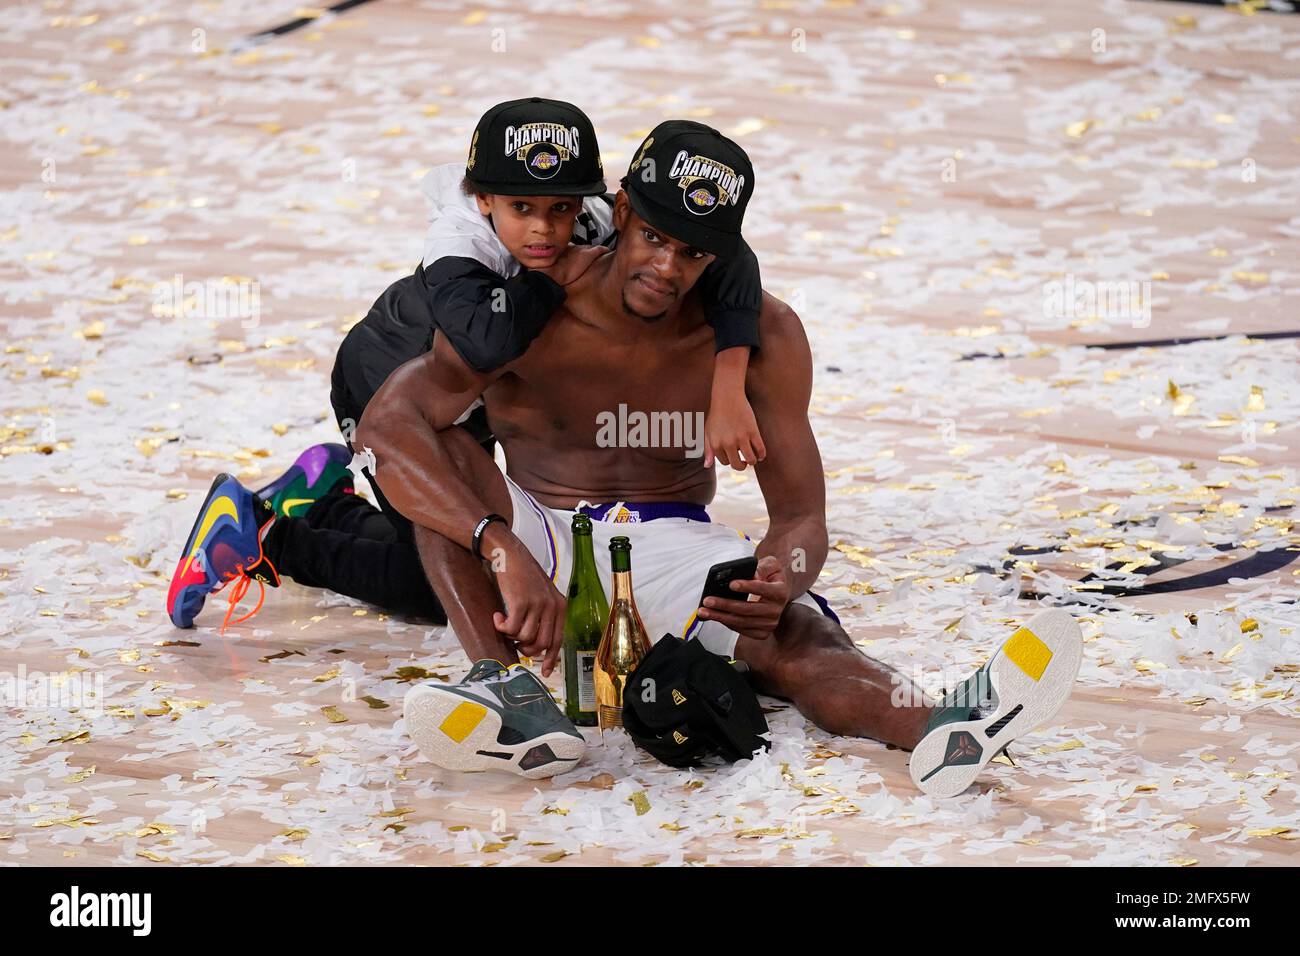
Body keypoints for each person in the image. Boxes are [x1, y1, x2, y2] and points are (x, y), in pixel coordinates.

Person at [360, 121, 1083, 795]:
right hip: (541, 522)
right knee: (443, 452)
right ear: (618, 211)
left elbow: (801, 517)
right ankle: (505, 689)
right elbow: (390, 428)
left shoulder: (764, 332)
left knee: (800, 639)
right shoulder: (528, 301)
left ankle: (942, 728)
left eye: (694, 253)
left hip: (675, 541)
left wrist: (781, 578)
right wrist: (499, 548)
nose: (666, 268)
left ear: (725, 254)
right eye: (652, 239)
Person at [167, 98, 768, 632]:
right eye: (521, 207)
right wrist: (565, 277)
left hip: (467, 387)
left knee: (464, 542)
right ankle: (264, 534)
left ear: (596, 201)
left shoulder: (594, 222)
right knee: (448, 587)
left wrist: (728, 383)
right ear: (481, 199)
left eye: (561, 208)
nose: (543, 228)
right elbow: (483, 343)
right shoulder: (461, 240)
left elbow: (730, 256)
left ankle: (323, 502)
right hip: (390, 376)